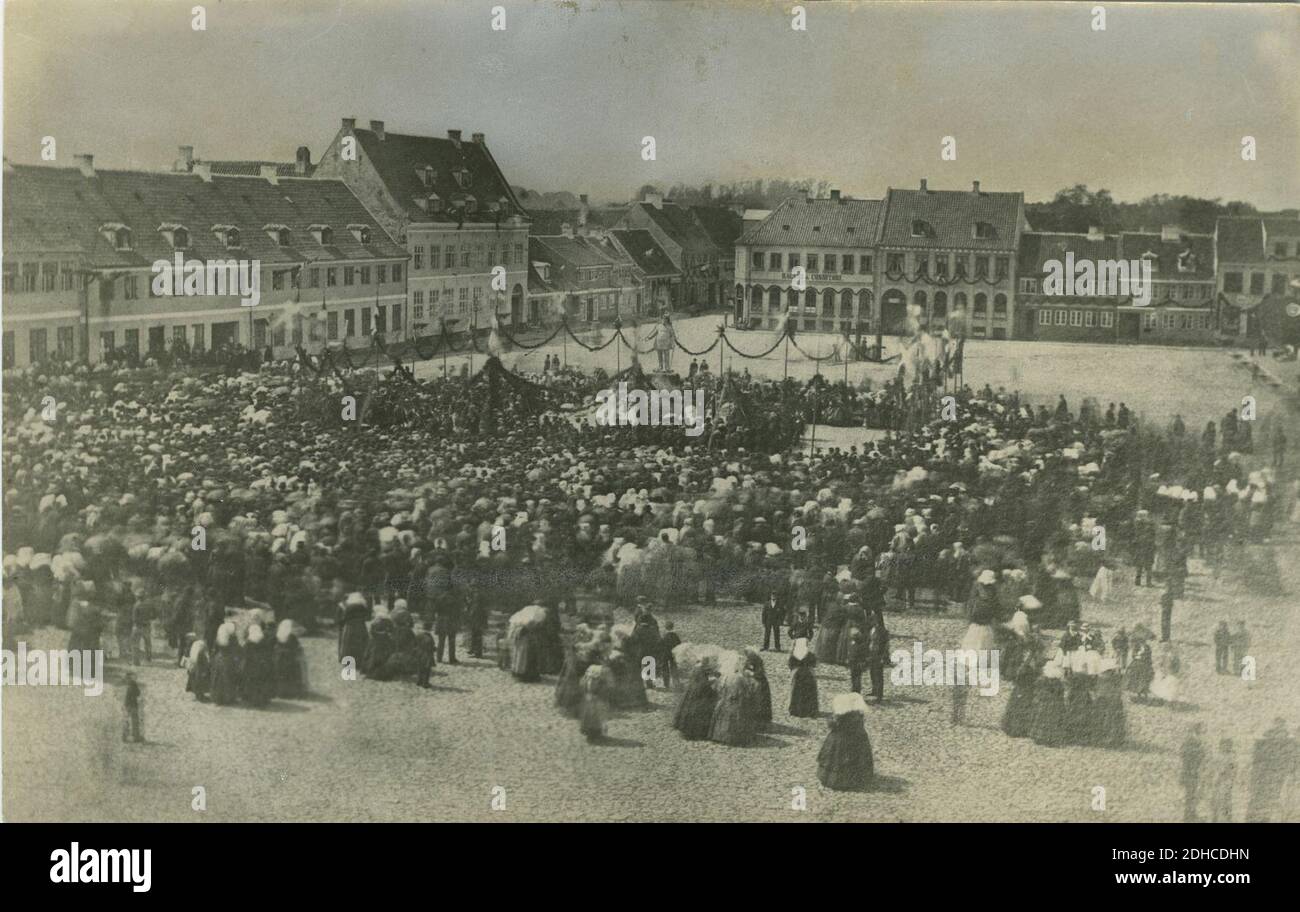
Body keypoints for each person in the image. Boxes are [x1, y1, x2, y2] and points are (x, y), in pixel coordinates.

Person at [817, 693, 874, 791]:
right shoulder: (858, 718)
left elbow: (832, 724)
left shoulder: (841, 718)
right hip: (854, 741)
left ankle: (837, 780)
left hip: (839, 741)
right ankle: (856, 779)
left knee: (835, 760)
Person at [672, 658, 719, 740]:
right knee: (698, 710)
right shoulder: (700, 670)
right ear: (704, 661)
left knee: (688, 708)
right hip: (699, 692)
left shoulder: (696, 667)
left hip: (691, 690)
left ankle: (687, 730)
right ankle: (696, 732)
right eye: (707, 662)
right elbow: (703, 683)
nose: (707, 663)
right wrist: (713, 680)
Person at [578, 663, 614, 742]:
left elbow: (583, 684)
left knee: (589, 716)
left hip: (589, 697)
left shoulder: (589, 672)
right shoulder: (604, 672)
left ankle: (591, 734)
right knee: (597, 717)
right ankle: (595, 734)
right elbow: (608, 687)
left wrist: (587, 692)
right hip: (597, 699)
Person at [273, 618, 307, 698]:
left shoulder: (277, 635)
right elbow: (296, 647)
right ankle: (291, 693)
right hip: (290, 659)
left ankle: (280, 692)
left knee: (281, 675)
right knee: (291, 675)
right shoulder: (291, 637)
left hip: (279, 658)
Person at [209, 622, 241, 706]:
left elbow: (214, 650)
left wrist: (212, 660)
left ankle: (218, 698)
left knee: (218, 680)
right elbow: (236, 649)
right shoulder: (232, 638)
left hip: (218, 659)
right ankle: (229, 698)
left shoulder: (219, 637)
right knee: (229, 679)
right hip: (229, 660)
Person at [787, 638, 819, 718]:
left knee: (796, 692)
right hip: (808, 675)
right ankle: (809, 710)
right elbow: (814, 664)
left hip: (797, 675)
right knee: (808, 692)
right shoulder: (810, 654)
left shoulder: (793, 654)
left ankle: (795, 710)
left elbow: (790, 664)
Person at [1181, 723, 1206, 822]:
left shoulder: (1190, 740)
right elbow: (1200, 754)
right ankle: (1189, 815)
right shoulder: (1194, 741)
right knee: (1191, 794)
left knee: (1191, 794)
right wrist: (1200, 752)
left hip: (1190, 771)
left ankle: (1190, 813)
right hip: (1191, 772)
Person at [1211, 738, 1236, 823]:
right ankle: (1215, 817)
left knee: (1226, 799)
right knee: (1216, 799)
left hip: (1226, 780)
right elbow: (1214, 768)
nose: (1226, 747)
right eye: (1224, 745)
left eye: (1228, 745)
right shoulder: (1217, 756)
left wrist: (1230, 778)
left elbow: (1233, 769)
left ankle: (1228, 817)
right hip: (1218, 780)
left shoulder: (1231, 756)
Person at [658, 621, 681, 688]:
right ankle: (676, 683)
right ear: (672, 627)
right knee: (674, 668)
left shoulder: (664, 636)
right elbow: (679, 644)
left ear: (666, 628)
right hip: (673, 654)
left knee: (665, 668)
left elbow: (660, 645)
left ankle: (666, 684)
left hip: (665, 654)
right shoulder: (675, 636)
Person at [122, 672, 143, 743]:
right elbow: (138, 693)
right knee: (134, 721)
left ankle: (125, 736)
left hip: (128, 704)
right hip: (133, 705)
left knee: (127, 720)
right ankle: (136, 736)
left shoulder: (129, 685)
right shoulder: (133, 685)